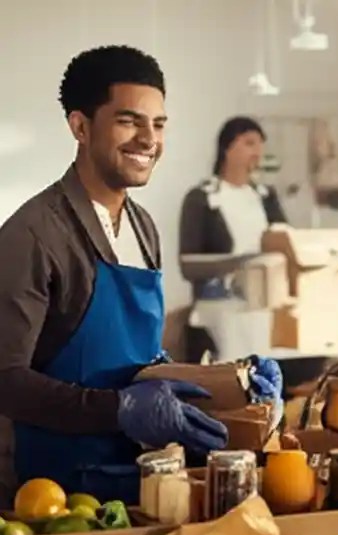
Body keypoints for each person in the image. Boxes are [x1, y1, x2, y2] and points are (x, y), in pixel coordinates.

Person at [0, 46, 237, 507]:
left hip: (135, 479)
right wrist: (121, 409)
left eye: (159, 124)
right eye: (130, 121)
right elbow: (4, 379)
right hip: (47, 493)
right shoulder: (32, 235)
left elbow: (140, 357)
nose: (149, 139)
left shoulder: (143, 225)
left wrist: (224, 382)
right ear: (80, 127)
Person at [179, 116, 288, 363]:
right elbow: (188, 265)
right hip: (219, 309)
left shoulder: (265, 197)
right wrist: (242, 263)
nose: (257, 151)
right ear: (227, 148)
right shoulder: (202, 199)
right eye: (249, 143)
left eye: (260, 144)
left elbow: (285, 244)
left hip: (264, 305)